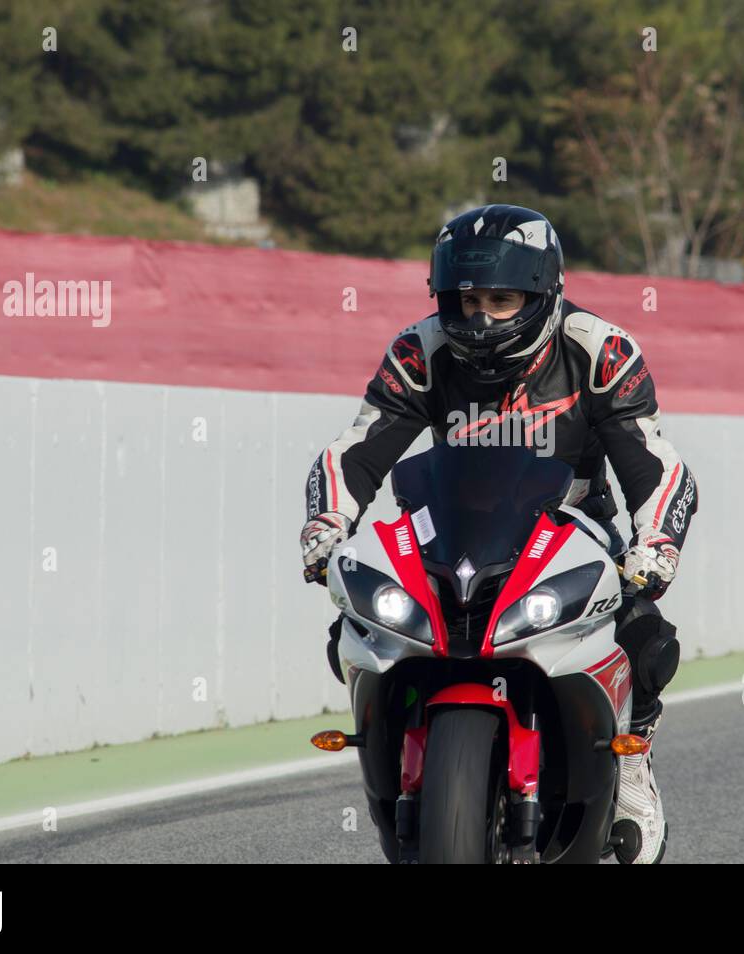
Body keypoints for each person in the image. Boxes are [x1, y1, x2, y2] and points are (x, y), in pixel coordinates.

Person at [300, 204, 699, 863]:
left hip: (570, 530)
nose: (481, 318)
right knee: (356, 624)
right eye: (468, 300)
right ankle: (397, 755)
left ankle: (631, 761)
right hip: (449, 532)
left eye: (502, 300)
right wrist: (327, 524)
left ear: (543, 294)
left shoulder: (600, 350)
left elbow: (654, 464)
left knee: (643, 630)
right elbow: (358, 451)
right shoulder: (420, 350)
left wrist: (654, 544)